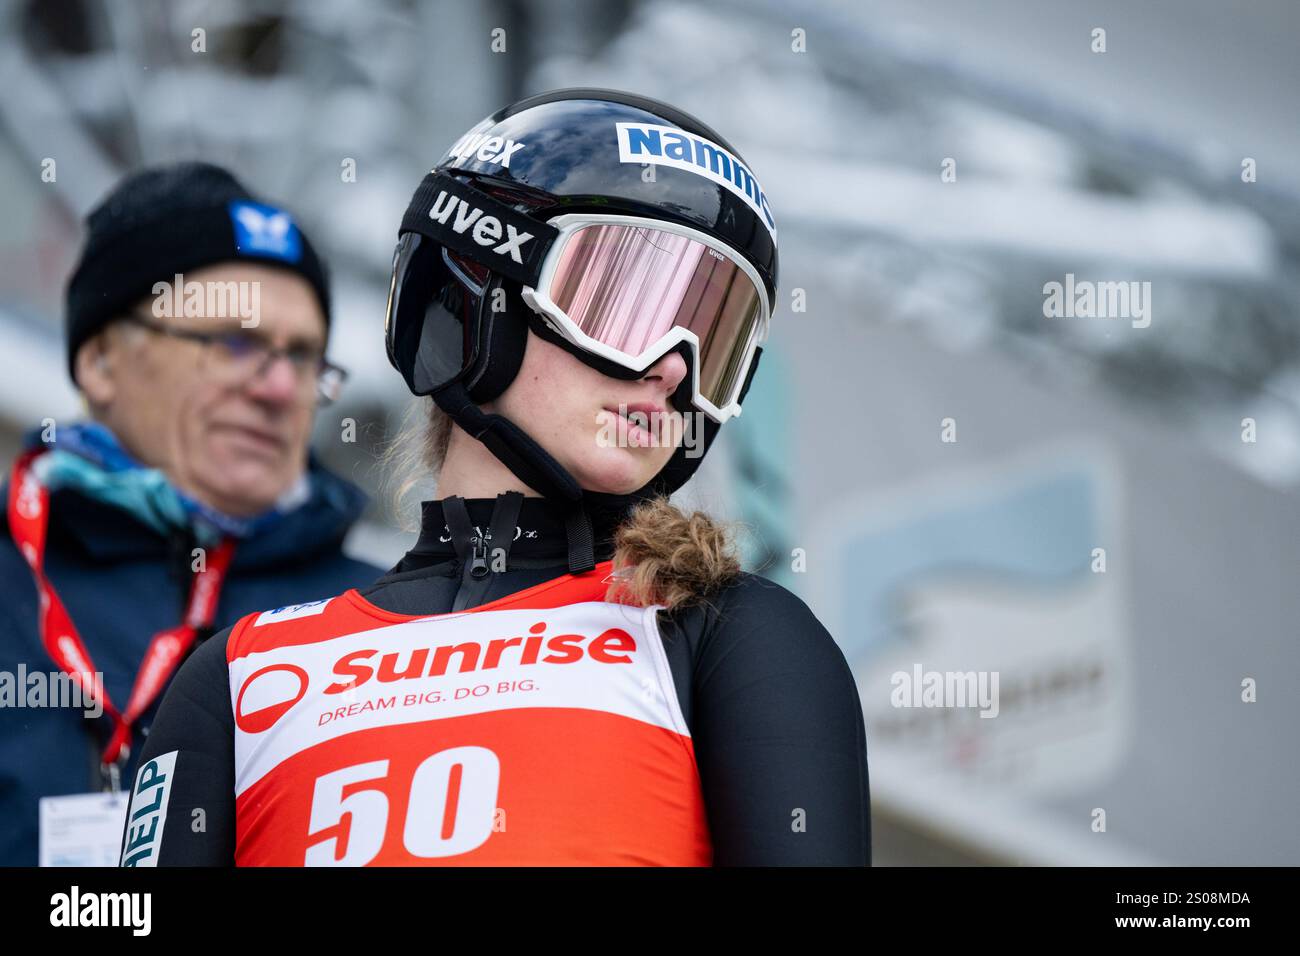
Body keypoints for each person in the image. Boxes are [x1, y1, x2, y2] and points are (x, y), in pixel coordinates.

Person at [121, 89, 871, 866]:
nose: (672, 368)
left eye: (712, 335)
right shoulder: (240, 676)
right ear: (474, 291)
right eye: (624, 299)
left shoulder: (727, 636)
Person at [0, 161, 383, 866]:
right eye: (231, 341)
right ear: (101, 362)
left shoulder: (385, 616)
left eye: (301, 356)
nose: (276, 387)